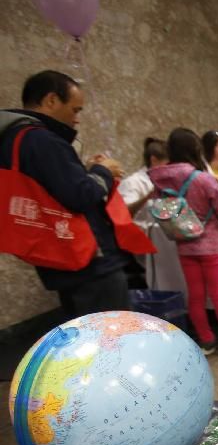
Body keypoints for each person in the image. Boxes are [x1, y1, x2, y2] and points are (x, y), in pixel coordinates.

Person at [0, 70, 131, 317]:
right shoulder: (43, 140)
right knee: (113, 338)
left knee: (85, 336)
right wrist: (104, 171)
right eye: (75, 109)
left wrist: (87, 171)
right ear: (51, 100)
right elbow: (79, 195)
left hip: (58, 260)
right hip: (89, 262)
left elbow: (55, 188)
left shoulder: (13, 139)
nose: (77, 119)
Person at [149, 128, 218, 355]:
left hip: (184, 243)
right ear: (196, 150)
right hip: (212, 244)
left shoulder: (159, 180)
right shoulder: (203, 179)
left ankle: (206, 340)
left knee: (195, 295)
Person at [118, 137, 168, 226]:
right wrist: (148, 197)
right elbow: (123, 213)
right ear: (154, 160)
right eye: (168, 164)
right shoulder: (132, 182)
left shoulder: (167, 182)